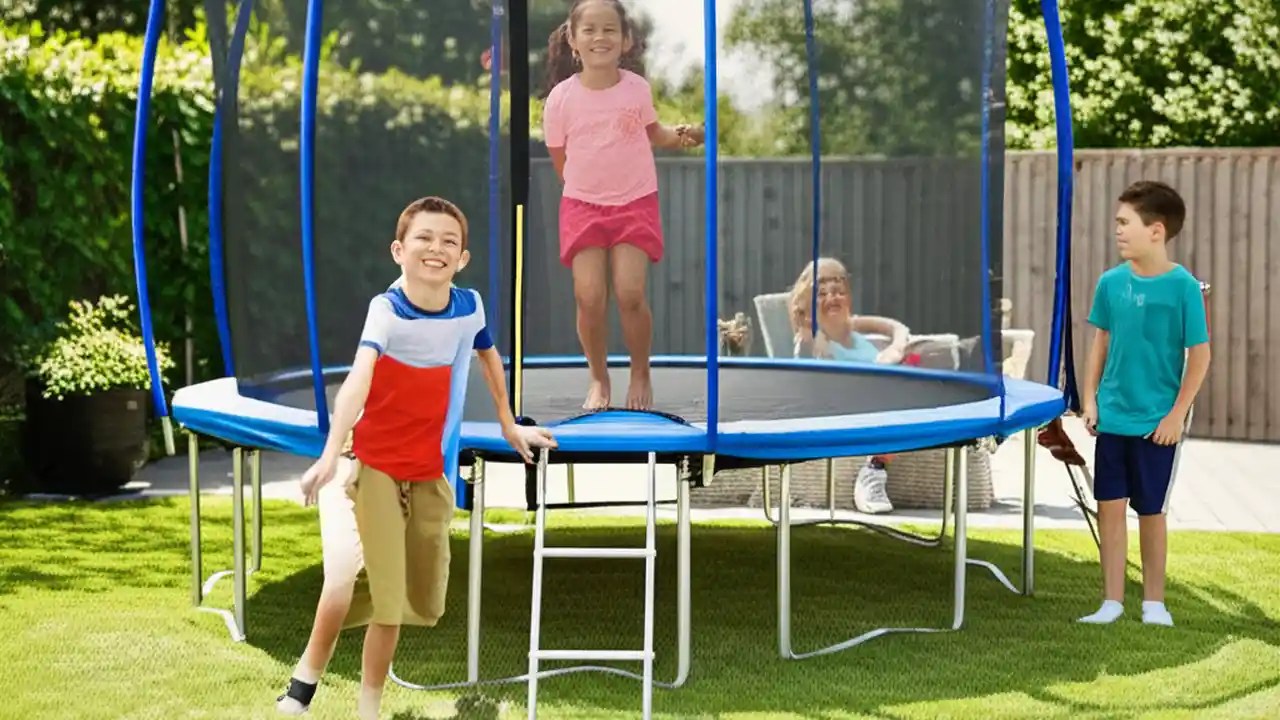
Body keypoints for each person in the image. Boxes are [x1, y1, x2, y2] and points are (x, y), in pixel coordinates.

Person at [275, 196, 558, 719]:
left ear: (463, 257)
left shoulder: (468, 306)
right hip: (361, 466)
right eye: (425, 238)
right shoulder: (387, 310)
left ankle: (369, 708)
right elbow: (359, 380)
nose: (437, 248)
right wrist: (328, 454)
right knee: (342, 578)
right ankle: (302, 685)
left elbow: (488, 354)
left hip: (420, 471)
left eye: (449, 241)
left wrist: (507, 420)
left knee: (399, 598)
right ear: (399, 251)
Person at [542, 0, 705, 411]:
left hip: (635, 202)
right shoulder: (561, 99)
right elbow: (560, 158)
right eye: (591, 30)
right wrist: (586, 187)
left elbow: (653, 132)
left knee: (630, 293)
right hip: (582, 205)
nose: (601, 37)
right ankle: (599, 378)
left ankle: (640, 371)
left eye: (610, 30)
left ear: (626, 39)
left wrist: (685, 134)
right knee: (589, 295)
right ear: (573, 40)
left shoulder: (636, 89)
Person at [1078, 180, 1210, 627]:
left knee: (1151, 511)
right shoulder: (1110, 283)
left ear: (1156, 230)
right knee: (1109, 509)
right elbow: (1100, 343)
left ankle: (1154, 603)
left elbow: (1200, 356)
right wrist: (1090, 400)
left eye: (1123, 222)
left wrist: (1176, 415)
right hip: (1113, 418)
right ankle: (1111, 601)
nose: (1116, 230)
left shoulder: (1184, 287)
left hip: (1158, 425)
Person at [788, 257, 910, 514]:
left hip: (882, 391)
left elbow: (897, 327)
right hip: (851, 404)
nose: (832, 297)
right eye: (821, 293)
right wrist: (811, 328)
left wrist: (896, 348)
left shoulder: (856, 337)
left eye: (839, 291)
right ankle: (873, 471)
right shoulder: (813, 341)